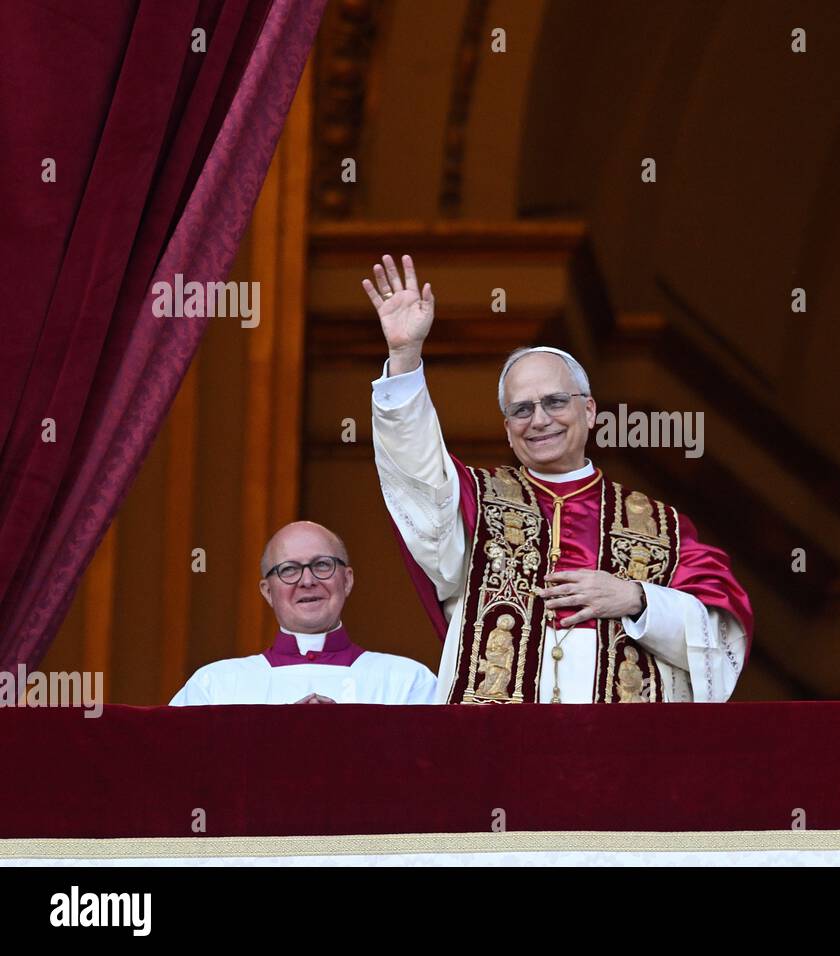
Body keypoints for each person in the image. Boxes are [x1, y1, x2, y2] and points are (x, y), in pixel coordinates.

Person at [363, 254, 752, 703]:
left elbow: (723, 635)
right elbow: (416, 471)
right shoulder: (475, 502)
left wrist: (638, 598)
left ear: (589, 410)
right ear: (508, 430)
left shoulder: (662, 526)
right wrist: (405, 356)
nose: (540, 420)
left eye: (554, 402)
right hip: (497, 749)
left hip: (616, 756)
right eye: (521, 410)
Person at [170, 521, 437, 705]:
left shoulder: (407, 682)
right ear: (267, 591)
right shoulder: (215, 685)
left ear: (347, 580)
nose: (307, 580)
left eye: (322, 565)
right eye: (289, 569)